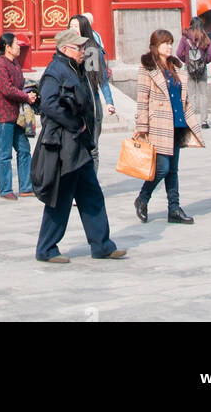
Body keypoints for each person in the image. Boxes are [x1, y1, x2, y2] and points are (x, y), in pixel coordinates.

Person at [33, 27, 126, 263]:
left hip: (79, 145)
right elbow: (49, 105)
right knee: (62, 197)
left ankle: (102, 245)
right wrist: (76, 125)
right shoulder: (56, 71)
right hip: (64, 144)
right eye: (79, 48)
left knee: (91, 194)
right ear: (65, 49)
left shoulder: (76, 68)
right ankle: (46, 248)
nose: (83, 51)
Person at [134, 29, 204, 224]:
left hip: (176, 122)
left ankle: (174, 208)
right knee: (162, 168)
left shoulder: (176, 67)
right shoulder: (147, 67)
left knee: (173, 169)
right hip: (158, 123)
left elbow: (183, 96)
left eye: (171, 43)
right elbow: (142, 98)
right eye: (165, 43)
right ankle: (142, 197)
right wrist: (142, 125)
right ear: (155, 46)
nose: (169, 46)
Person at [0, 32, 37, 199]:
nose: (19, 46)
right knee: (4, 154)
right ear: (7, 47)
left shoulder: (15, 63)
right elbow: (7, 89)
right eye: (16, 43)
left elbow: (20, 85)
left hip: (17, 116)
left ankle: (25, 186)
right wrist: (26, 97)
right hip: (3, 116)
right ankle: (6, 190)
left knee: (24, 149)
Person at [68, 12, 116, 169]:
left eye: (76, 26)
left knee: (92, 147)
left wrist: (109, 101)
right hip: (72, 103)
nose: (73, 29)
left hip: (89, 103)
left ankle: (91, 186)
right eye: (71, 26)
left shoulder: (90, 51)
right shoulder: (66, 49)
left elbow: (99, 79)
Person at [176, 16, 211, 127]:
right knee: (203, 95)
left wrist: (187, 61)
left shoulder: (185, 37)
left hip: (189, 68)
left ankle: (192, 121)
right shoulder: (204, 36)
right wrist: (204, 61)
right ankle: (204, 121)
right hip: (202, 68)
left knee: (191, 95)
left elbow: (178, 53)